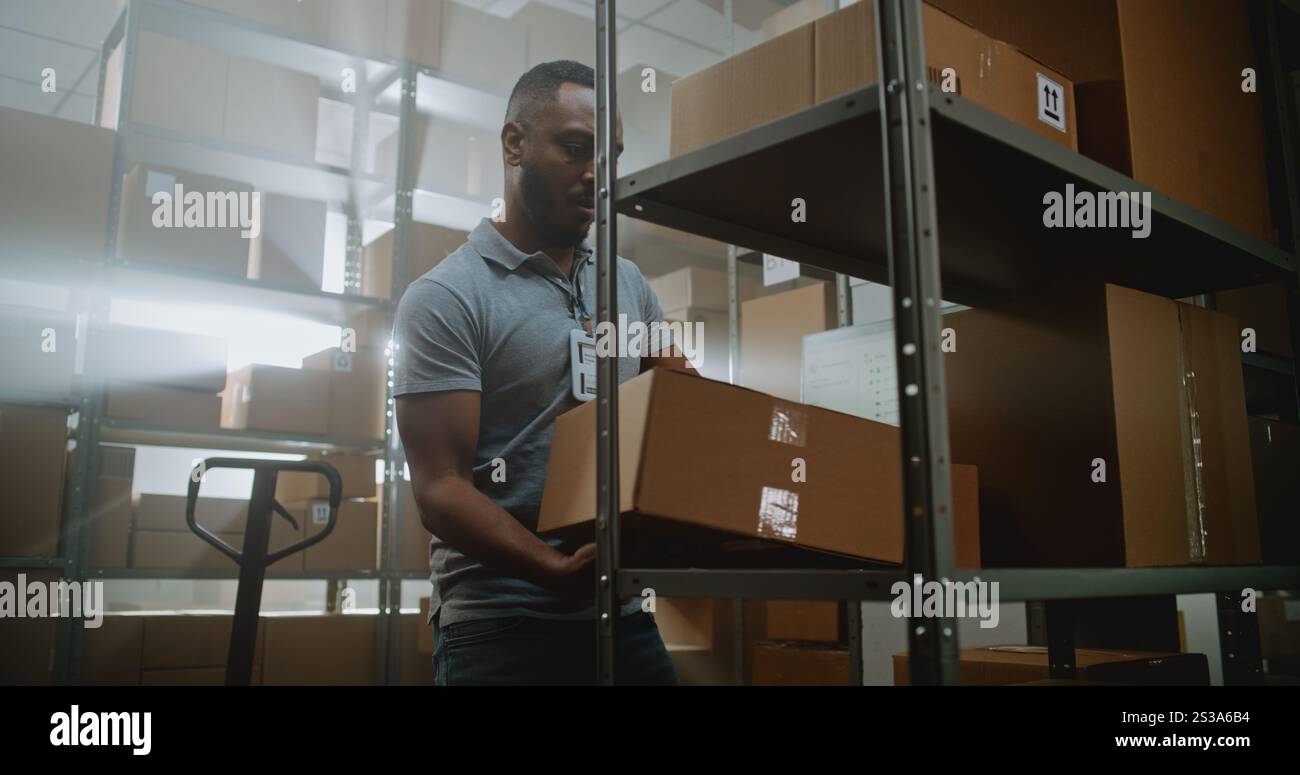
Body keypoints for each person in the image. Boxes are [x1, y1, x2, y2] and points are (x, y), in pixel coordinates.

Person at [393, 60, 696, 685]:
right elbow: (440, 487)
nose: (595, 176)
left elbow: (675, 420)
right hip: (501, 625)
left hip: (621, 615)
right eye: (575, 149)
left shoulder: (628, 284)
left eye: (607, 157)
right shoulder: (447, 297)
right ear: (515, 143)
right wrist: (551, 569)